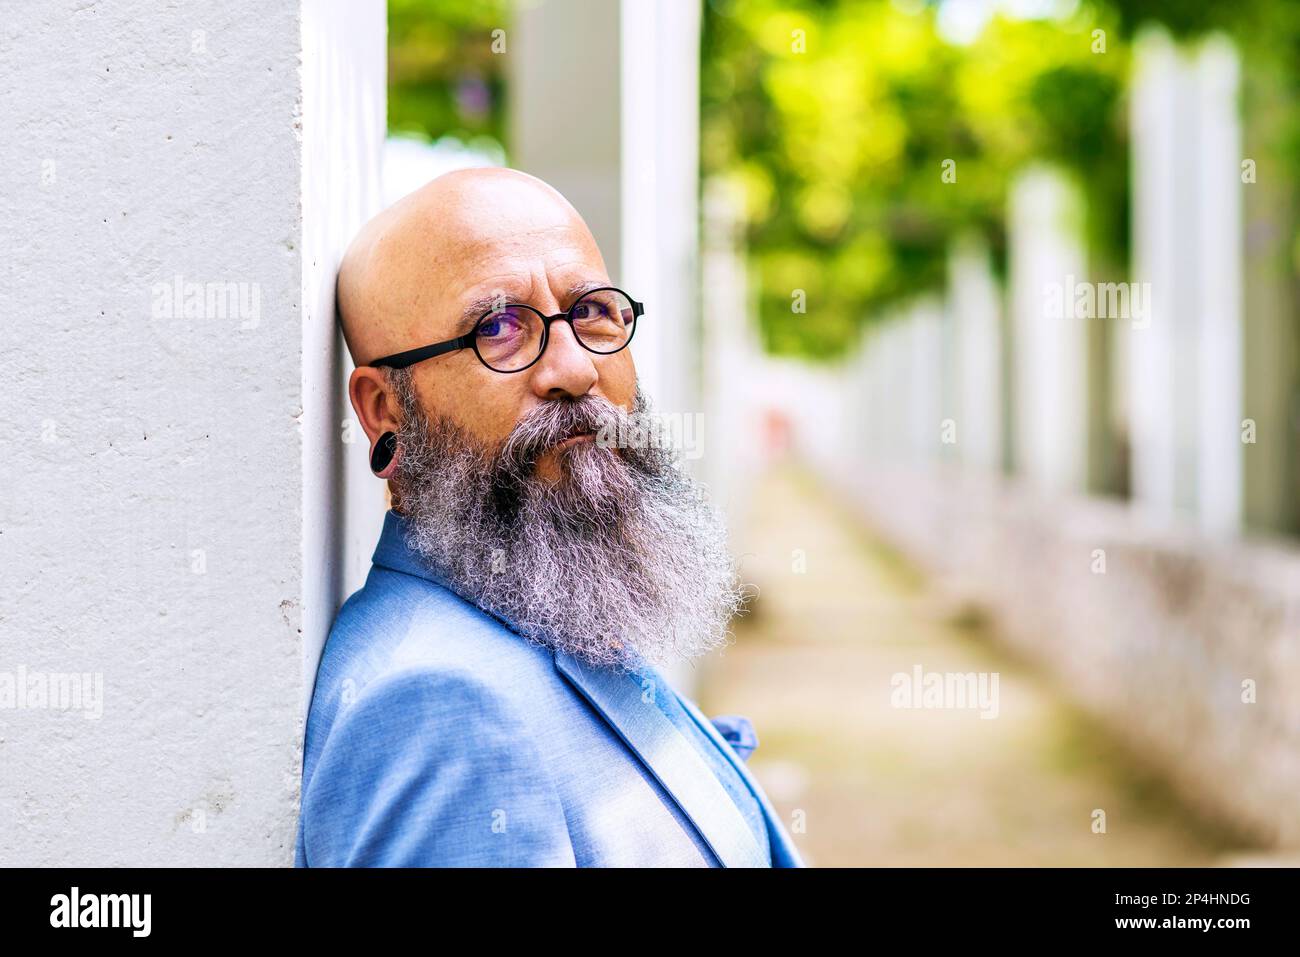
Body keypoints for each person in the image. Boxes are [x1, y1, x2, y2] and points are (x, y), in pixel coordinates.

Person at [293, 167, 803, 867]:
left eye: (591, 310)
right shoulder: (434, 708)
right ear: (386, 410)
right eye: (497, 327)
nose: (575, 370)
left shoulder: (554, 604)